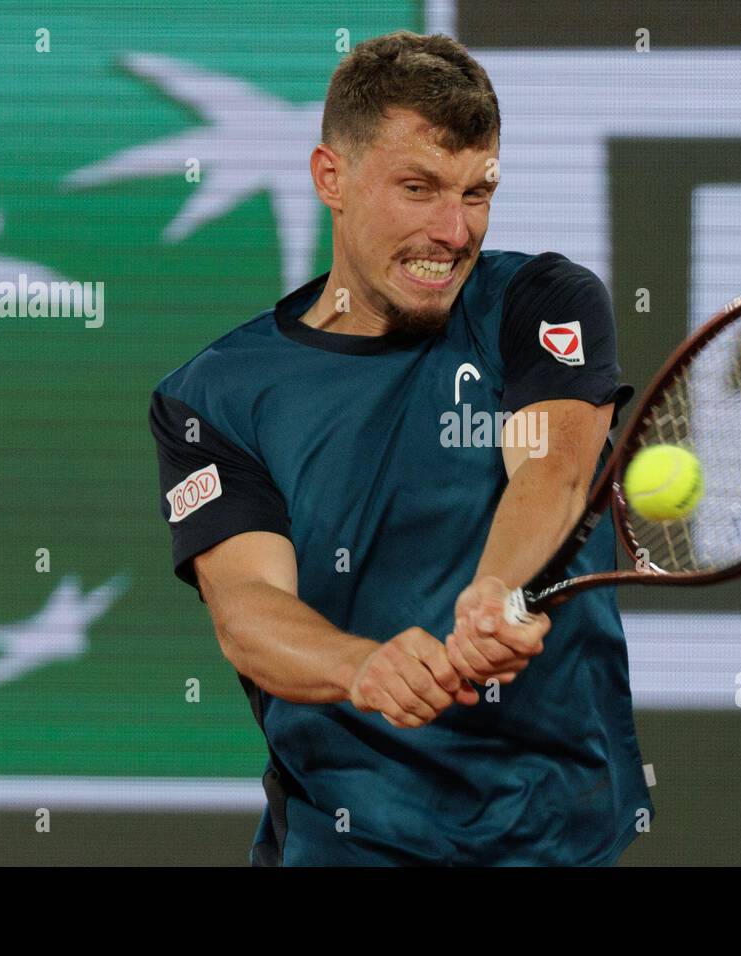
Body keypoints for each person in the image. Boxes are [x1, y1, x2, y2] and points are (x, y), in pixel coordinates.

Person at [149, 30, 652, 865]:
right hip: (344, 840)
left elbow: (554, 469)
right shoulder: (213, 397)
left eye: (477, 193)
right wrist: (364, 668)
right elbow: (248, 614)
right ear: (330, 178)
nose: (454, 232)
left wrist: (496, 589)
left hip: (553, 833)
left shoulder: (538, 300)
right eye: (418, 189)